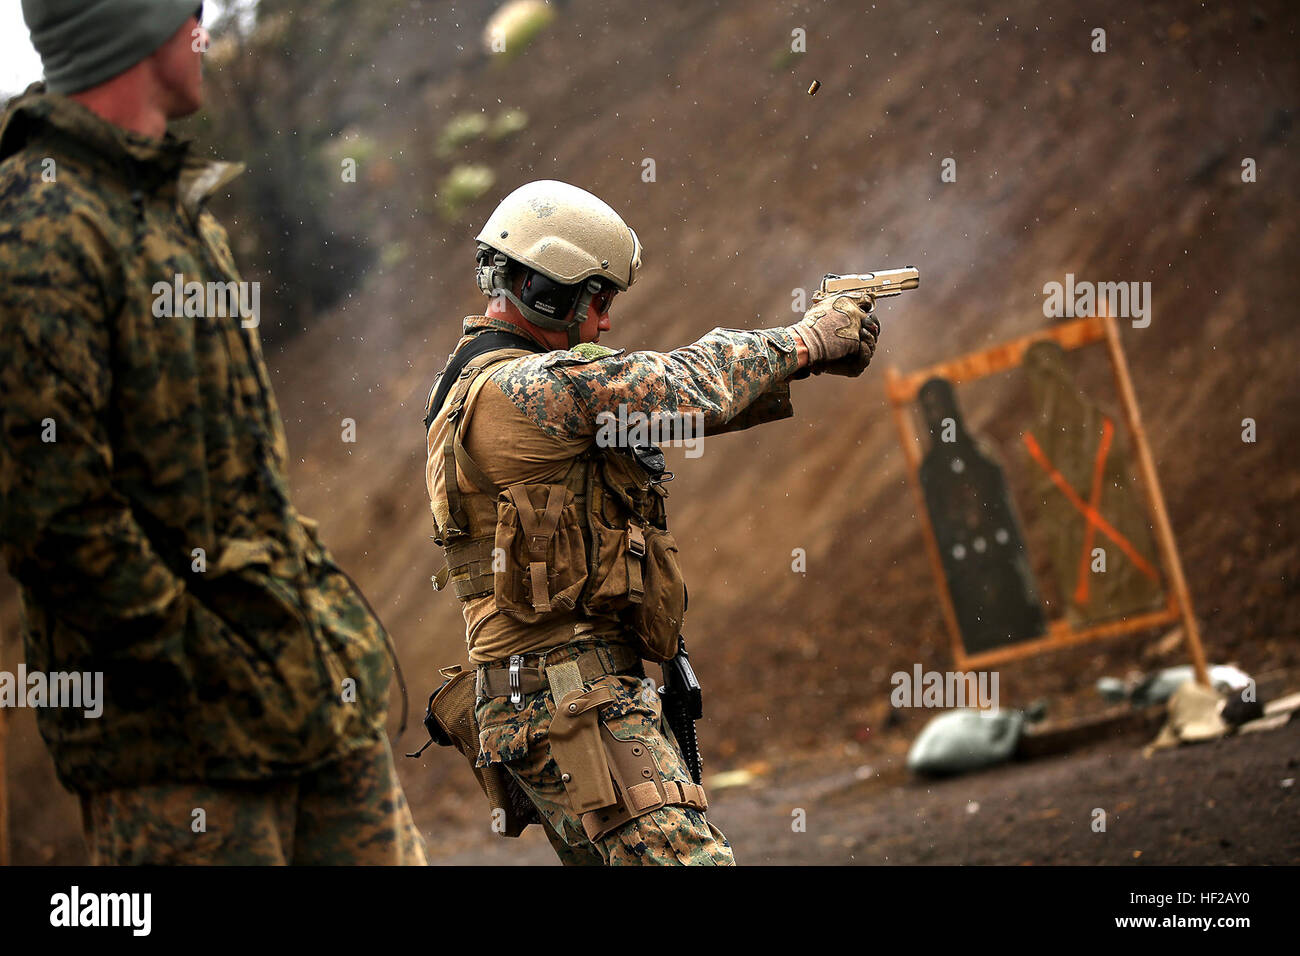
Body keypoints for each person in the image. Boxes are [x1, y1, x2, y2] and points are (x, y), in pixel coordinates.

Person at [0, 0, 425, 865]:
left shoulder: (176, 210)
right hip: (179, 751)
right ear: (133, 26)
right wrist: (205, 658)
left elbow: (243, 484)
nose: (203, 31)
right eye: (187, 12)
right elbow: (55, 518)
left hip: (308, 702)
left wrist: (302, 637)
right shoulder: (39, 228)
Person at [423, 179, 878, 865]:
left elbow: (666, 407)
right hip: (574, 699)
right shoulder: (529, 388)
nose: (605, 322)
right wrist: (809, 339)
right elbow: (678, 384)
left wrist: (801, 364)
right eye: (598, 300)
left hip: (553, 695)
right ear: (549, 293)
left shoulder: (479, 386)